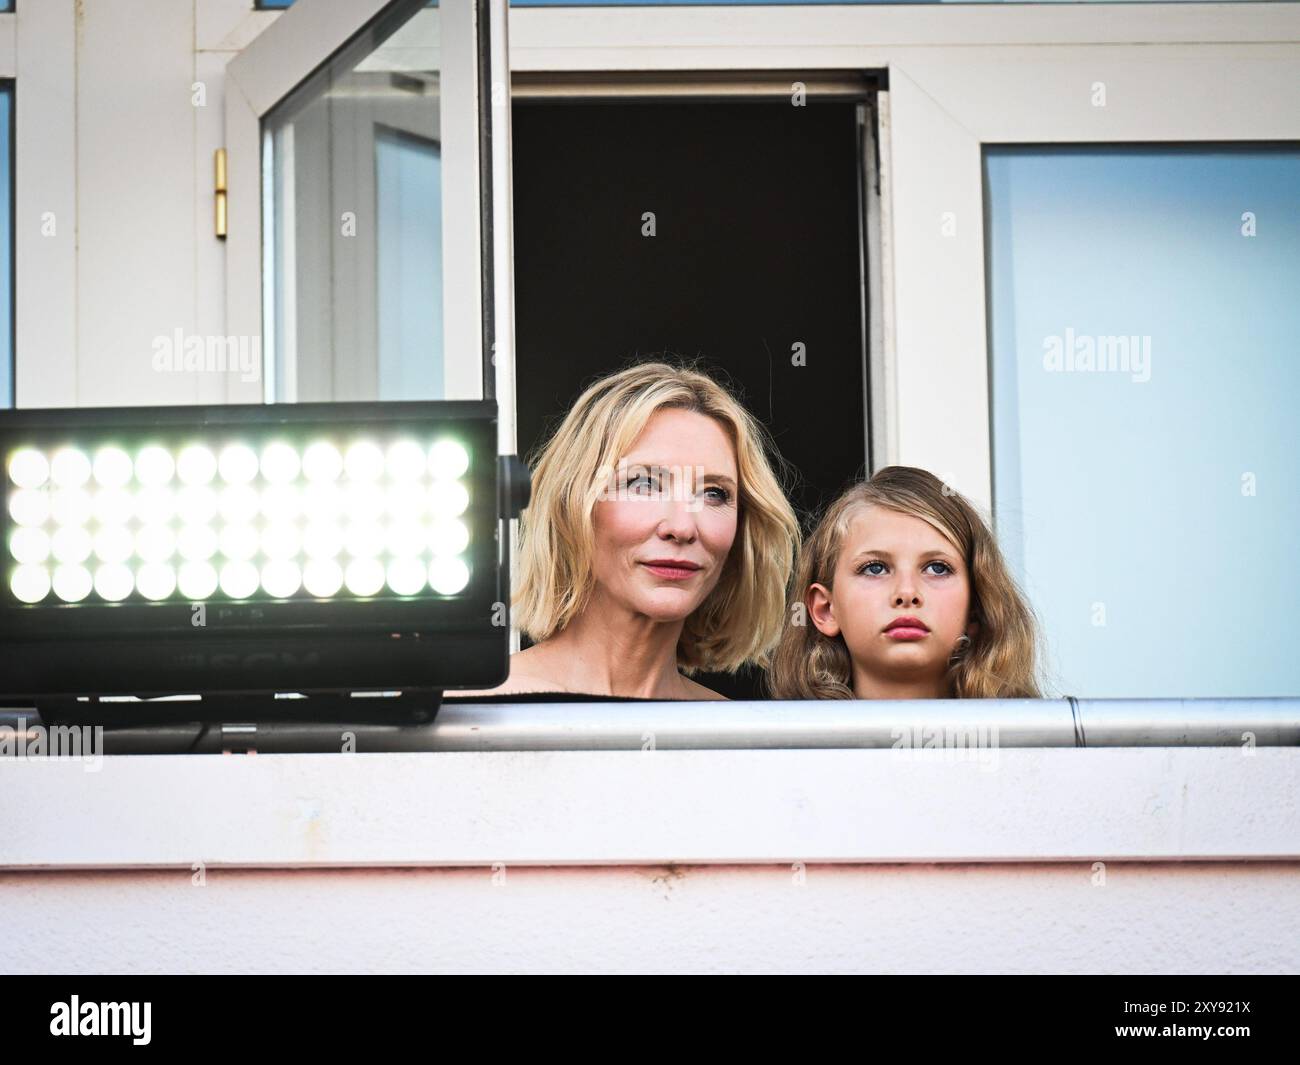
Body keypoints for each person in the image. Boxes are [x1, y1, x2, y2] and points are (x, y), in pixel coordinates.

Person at [452, 360, 800, 701]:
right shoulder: (478, 709)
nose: (681, 527)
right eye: (644, 483)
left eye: (713, 493)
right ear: (573, 504)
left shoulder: (733, 734)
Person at [768, 466, 1041, 700]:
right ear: (825, 610)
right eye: (875, 568)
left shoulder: (1034, 750)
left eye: (937, 568)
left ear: (975, 607)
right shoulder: (788, 755)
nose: (907, 593)